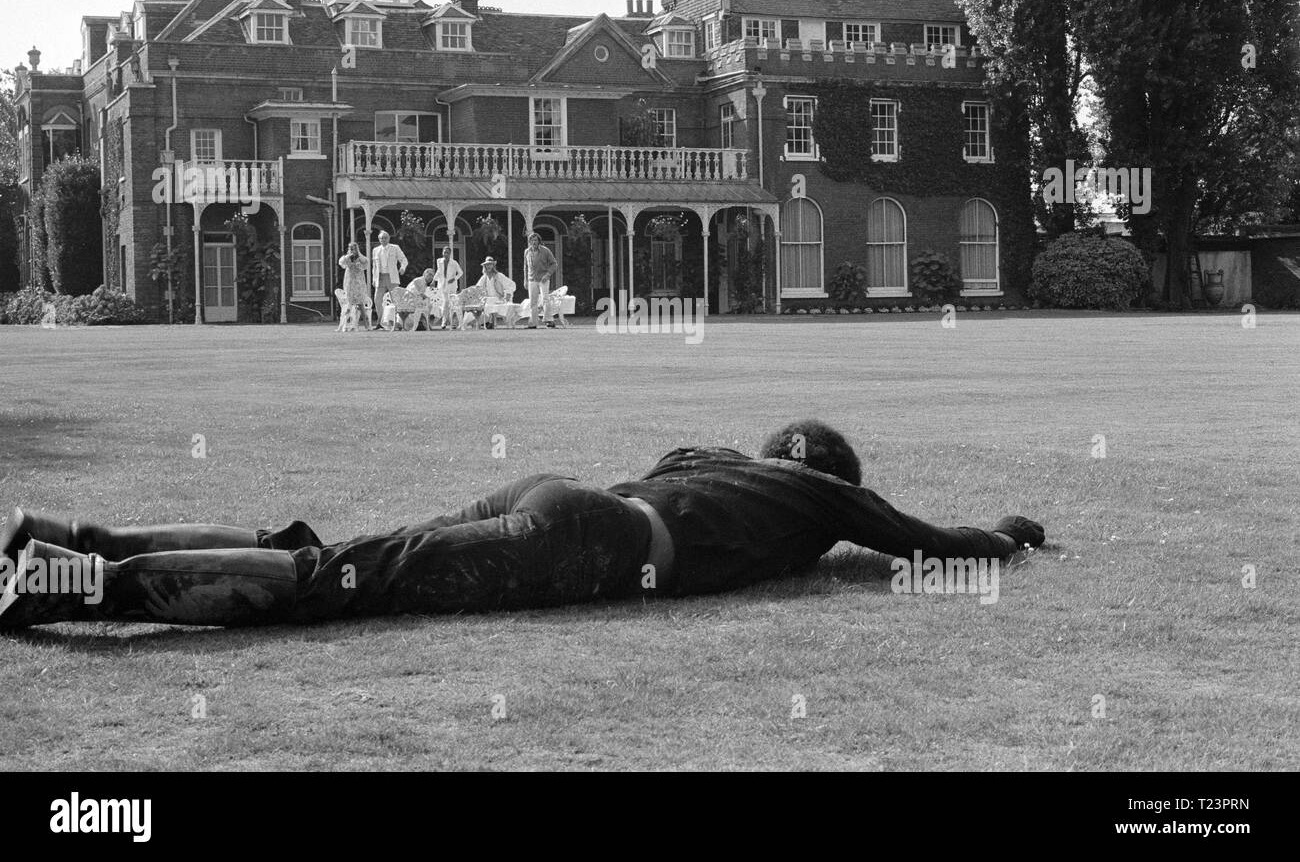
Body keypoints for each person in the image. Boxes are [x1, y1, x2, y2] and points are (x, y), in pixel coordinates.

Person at [0, 421, 1045, 630]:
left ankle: (69, 535)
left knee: (328, 554)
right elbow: (929, 546)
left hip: (558, 495)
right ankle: (68, 584)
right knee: (341, 583)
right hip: (596, 544)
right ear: (827, 475)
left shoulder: (709, 456)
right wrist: (1006, 532)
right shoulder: (818, 497)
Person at [370, 231, 408, 327]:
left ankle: (399, 322)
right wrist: (374, 279)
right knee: (377, 299)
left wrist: (402, 268)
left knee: (396, 299)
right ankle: (380, 322)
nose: (383, 240)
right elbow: (374, 266)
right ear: (379, 239)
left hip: (392, 277)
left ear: (388, 238)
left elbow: (404, 259)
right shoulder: (375, 250)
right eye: (381, 238)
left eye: (385, 238)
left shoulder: (395, 248)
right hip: (380, 277)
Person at [523, 232, 558, 330]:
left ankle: (549, 320)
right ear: (529, 242)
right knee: (533, 301)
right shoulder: (527, 252)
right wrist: (525, 280)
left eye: (535, 240)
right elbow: (525, 267)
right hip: (531, 279)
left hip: (543, 279)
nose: (534, 242)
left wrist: (547, 274)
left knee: (545, 299)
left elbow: (554, 264)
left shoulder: (545, 251)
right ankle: (533, 323)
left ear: (539, 241)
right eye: (532, 240)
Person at [337, 242, 372, 331]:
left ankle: (367, 325)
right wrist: (348, 256)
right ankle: (345, 326)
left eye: (353, 248)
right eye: (350, 248)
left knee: (360, 304)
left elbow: (366, 263)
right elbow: (341, 263)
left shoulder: (360, 258)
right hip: (349, 281)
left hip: (358, 281)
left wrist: (358, 258)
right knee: (349, 303)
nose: (352, 250)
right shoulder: (347, 257)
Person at [477, 257, 516, 330]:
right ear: (485, 266)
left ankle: (493, 323)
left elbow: (511, 284)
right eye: (487, 265)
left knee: (495, 304)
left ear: (493, 266)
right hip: (488, 300)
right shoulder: (484, 277)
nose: (488, 266)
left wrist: (508, 293)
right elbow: (477, 288)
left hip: (499, 299)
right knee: (482, 307)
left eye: (490, 264)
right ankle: (489, 323)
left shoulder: (499, 275)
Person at [433, 247, 462, 330]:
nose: (446, 254)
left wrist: (454, 278)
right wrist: (434, 280)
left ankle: (450, 322)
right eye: (444, 252)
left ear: (450, 254)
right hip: (442, 284)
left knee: (451, 303)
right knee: (445, 303)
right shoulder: (439, 261)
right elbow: (439, 271)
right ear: (442, 253)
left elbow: (460, 272)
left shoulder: (454, 263)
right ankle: (445, 321)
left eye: (447, 252)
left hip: (451, 285)